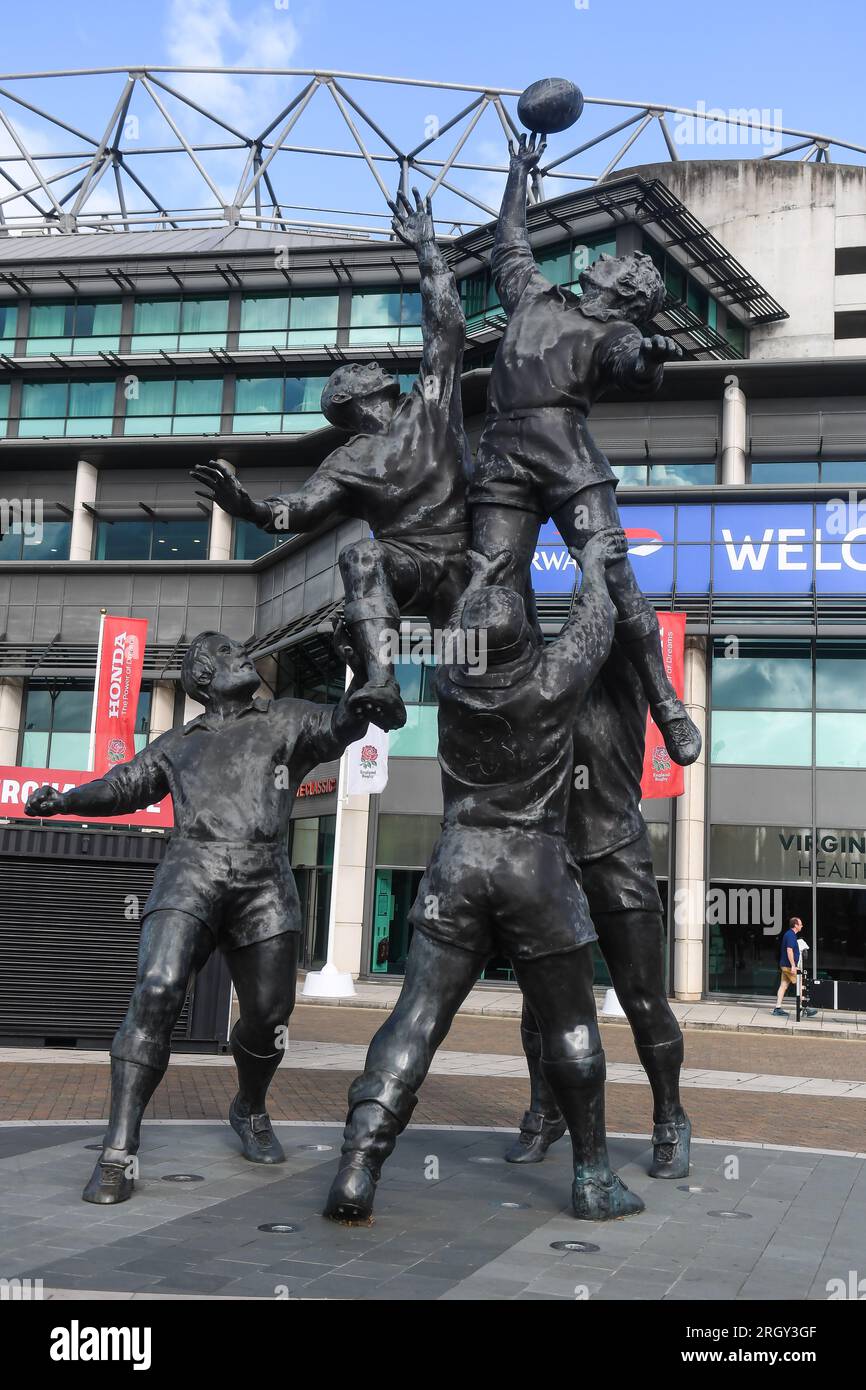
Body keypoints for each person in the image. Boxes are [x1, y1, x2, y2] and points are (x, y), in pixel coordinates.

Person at [324, 527, 648, 1226]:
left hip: (457, 864)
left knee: (414, 1018)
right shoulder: (553, 681)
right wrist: (591, 563)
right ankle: (593, 1177)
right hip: (536, 869)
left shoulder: (451, 680)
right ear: (528, 639)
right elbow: (597, 620)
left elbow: (460, 639)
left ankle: (357, 1166)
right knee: (571, 1025)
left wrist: (475, 583)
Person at [26, 630, 369, 1205]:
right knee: (157, 988)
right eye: (233, 653)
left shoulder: (284, 718)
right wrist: (66, 798)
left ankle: (249, 1107)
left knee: (268, 1013)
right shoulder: (177, 744)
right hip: (191, 868)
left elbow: (342, 726)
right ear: (204, 676)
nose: (247, 659)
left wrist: (363, 680)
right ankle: (119, 1150)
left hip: (265, 877)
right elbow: (123, 786)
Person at [191, 189, 470, 734]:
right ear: (354, 397)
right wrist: (245, 507)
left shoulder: (431, 403)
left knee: (472, 670)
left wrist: (428, 250)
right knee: (361, 558)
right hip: (411, 567)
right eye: (361, 367)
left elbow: (447, 329)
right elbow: (295, 510)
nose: (372, 363)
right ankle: (382, 683)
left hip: (469, 555)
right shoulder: (347, 461)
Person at [469, 133, 700, 767]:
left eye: (617, 262)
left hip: (565, 451)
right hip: (499, 457)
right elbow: (508, 244)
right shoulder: (536, 296)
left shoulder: (615, 330)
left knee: (616, 575)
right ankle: (496, 709)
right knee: (488, 582)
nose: (602, 257)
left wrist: (649, 359)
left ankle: (664, 700)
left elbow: (630, 364)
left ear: (626, 292)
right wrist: (518, 173)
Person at [505, 640, 690, 1179]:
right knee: (539, 1006)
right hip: (555, 860)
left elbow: (627, 603)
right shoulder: (541, 676)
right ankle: (547, 1112)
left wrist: (592, 560)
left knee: (643, 1000)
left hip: (618, 854)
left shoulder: (621, 669)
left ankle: (670, 1118)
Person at [773, 916, 816, 1018]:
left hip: (785, 965)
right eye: (800, 924)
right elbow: (789, 950)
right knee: (801, 985)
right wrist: (793, 965)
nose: (802, 925)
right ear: (795, 925)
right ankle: (805, 1008)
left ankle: (777, 1008)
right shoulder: (791, 935)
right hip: (789, 966)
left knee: (783, 985)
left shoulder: (789, 934)